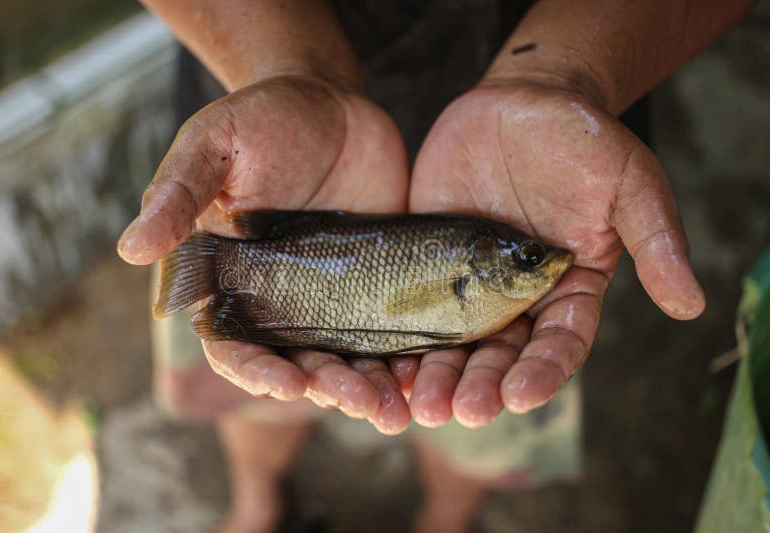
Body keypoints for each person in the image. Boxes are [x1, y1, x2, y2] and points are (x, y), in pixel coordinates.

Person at [117, 1, 756, 531]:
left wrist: (567, 75)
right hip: (265, 129)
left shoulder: (539, 244)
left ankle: (445, 519)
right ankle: (256, 502)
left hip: (552, 140)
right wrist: (287, 67)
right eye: (530, 260)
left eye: (530, 258)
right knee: (258, 389)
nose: (548, 264)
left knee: (476, 406)